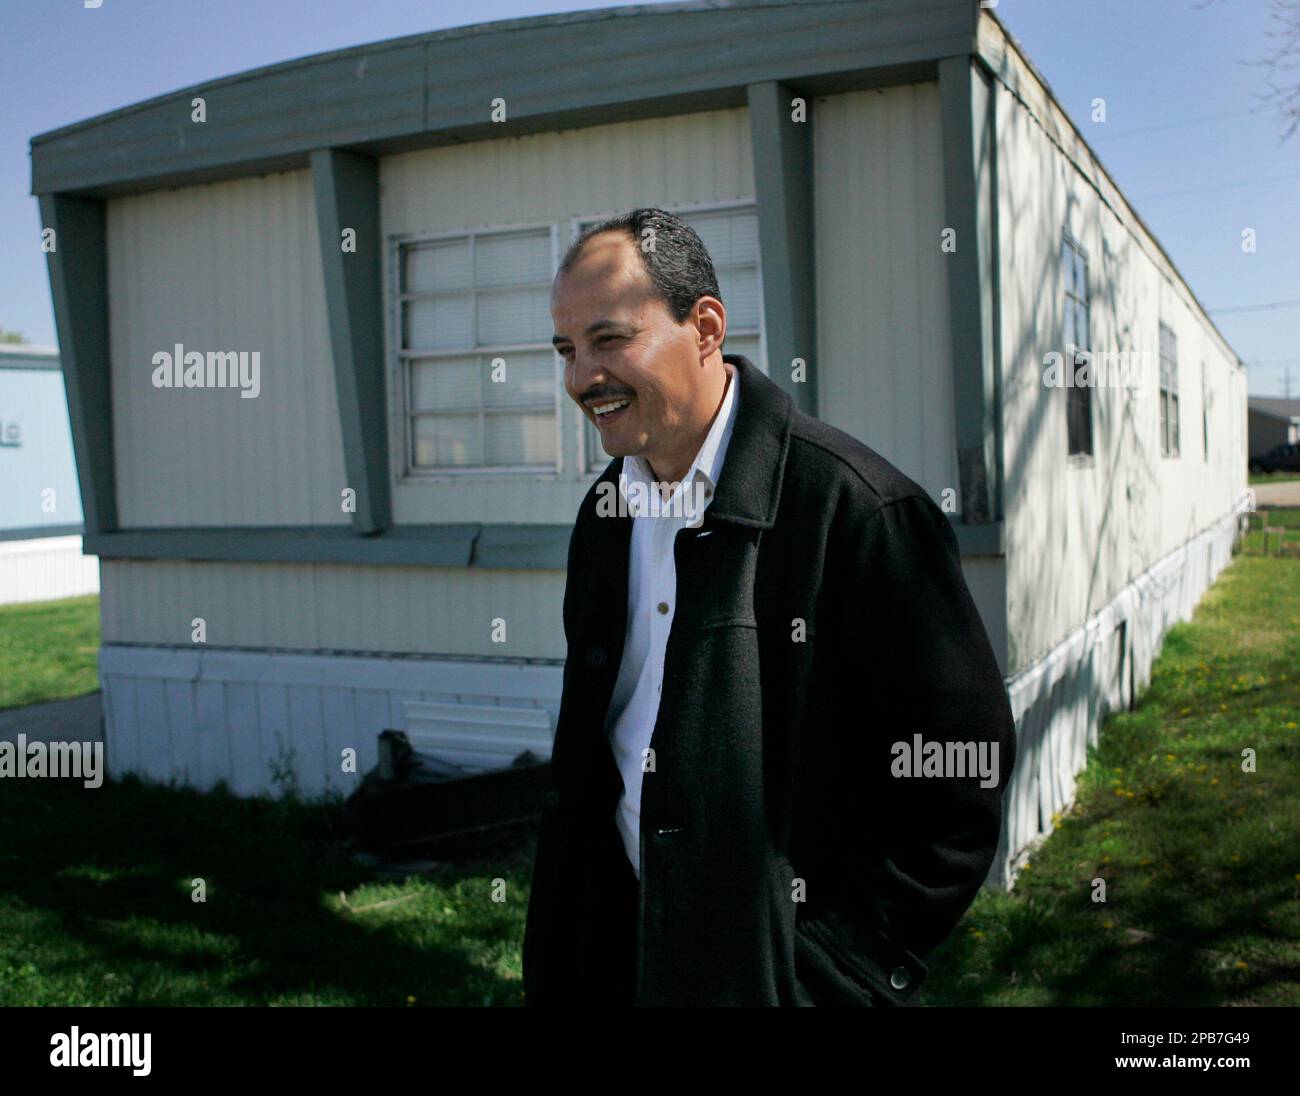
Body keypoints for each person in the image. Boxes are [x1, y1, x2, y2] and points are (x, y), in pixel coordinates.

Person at [524, 207, 1017, 1006]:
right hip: (615, 953)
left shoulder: (859, 511)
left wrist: (835, 967)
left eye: (610, 340)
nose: (582, 378)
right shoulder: (604, 516)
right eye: (566, 351)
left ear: (706, 327)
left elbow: (958, 780)